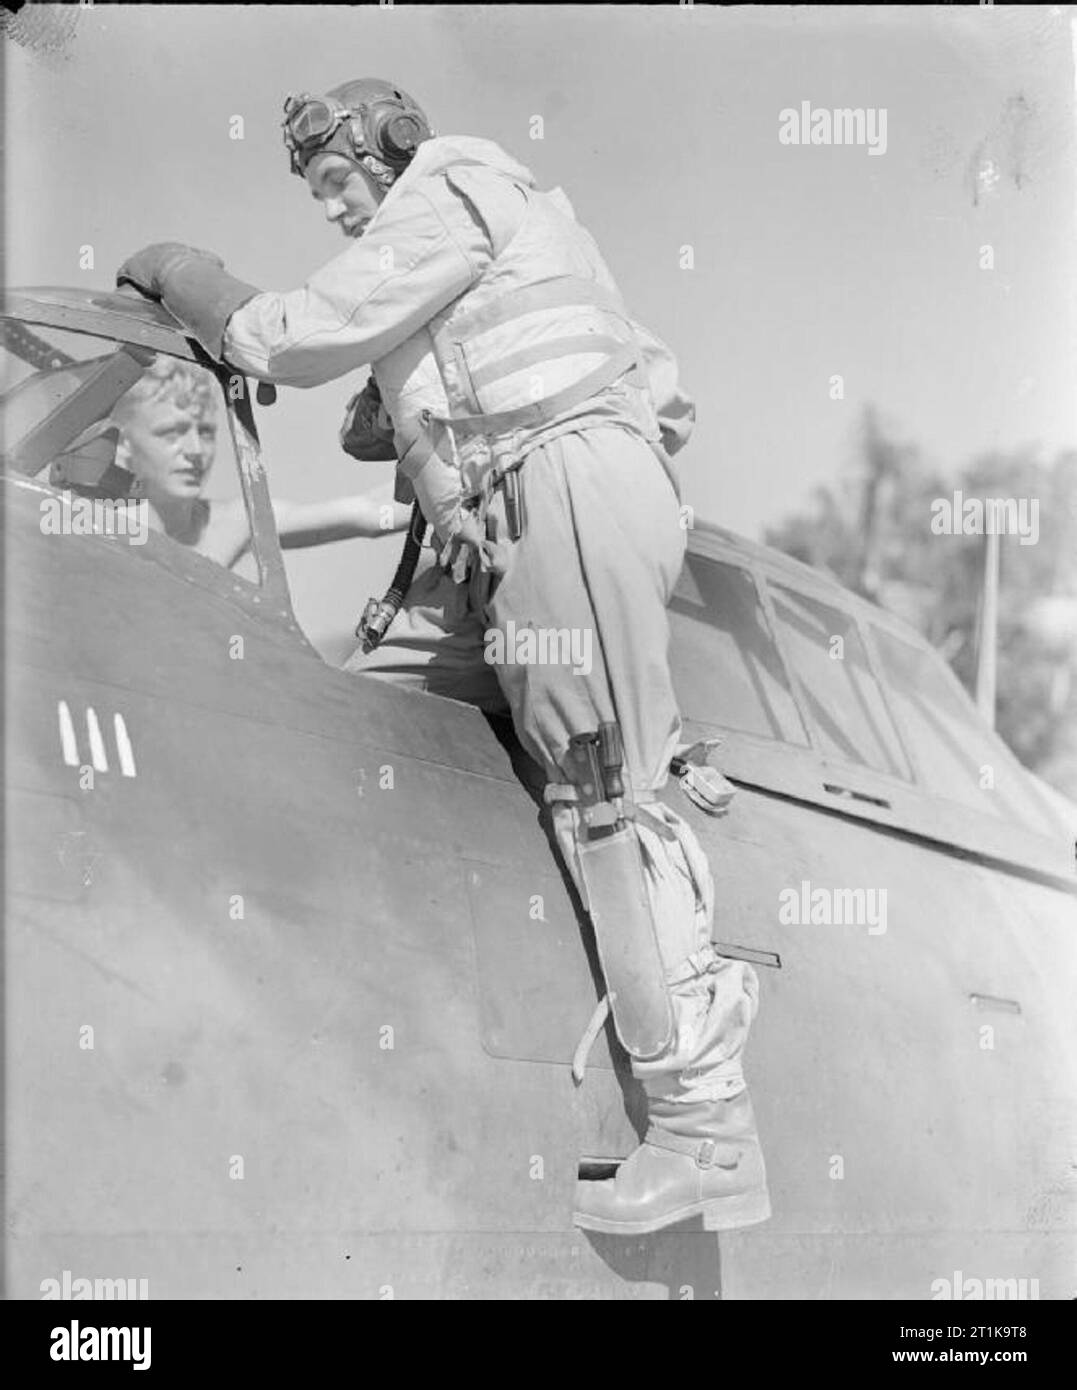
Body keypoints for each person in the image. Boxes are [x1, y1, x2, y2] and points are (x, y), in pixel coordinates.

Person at [117, 78, 770, 1235]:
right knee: (401, 736)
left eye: (335, 184)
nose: (333, 212)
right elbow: (662, 394)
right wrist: (441, 414)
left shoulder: (450, 181)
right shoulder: (518, 228)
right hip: (537, 510)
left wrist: (186, 274)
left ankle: (705, 1131)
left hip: (561, 492)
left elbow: (300, 335)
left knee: (601, 795)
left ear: (388, 150)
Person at [60, 354, 411, 567]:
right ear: (122, 446)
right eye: (172, 433)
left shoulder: (235, 522)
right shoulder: (94, 529)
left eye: (207, 432)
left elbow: (369, 513)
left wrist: (457, 486)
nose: (196, 450)